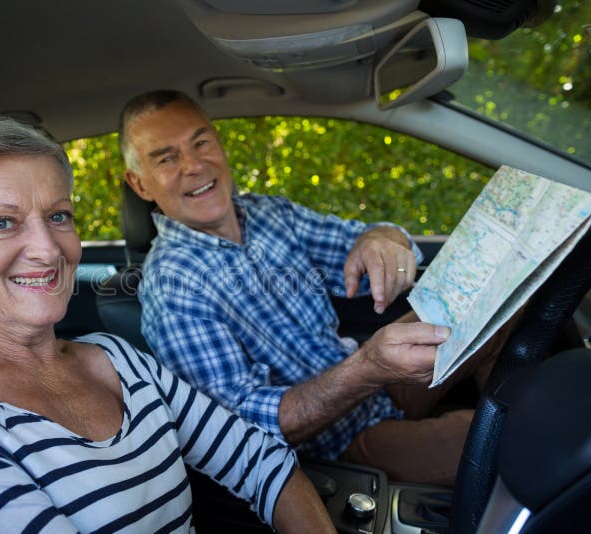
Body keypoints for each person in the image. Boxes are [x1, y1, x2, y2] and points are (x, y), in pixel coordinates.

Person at [0, 112, 335, 533]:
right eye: (3, 222)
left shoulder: (118, 359)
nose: (48, 249)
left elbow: (262, 463)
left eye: (59, 216)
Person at [120, 90, 505, 487]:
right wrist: (368, 367)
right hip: (337, 446)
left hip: (376, 384)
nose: (194, 165)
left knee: (494, 294)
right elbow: (243, 425)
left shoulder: (270, 214)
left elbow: (369, 239)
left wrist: (381, 240)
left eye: (201, 143)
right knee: (511, 436)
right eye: (167, 158)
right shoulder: (172, 289)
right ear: (141, 184)